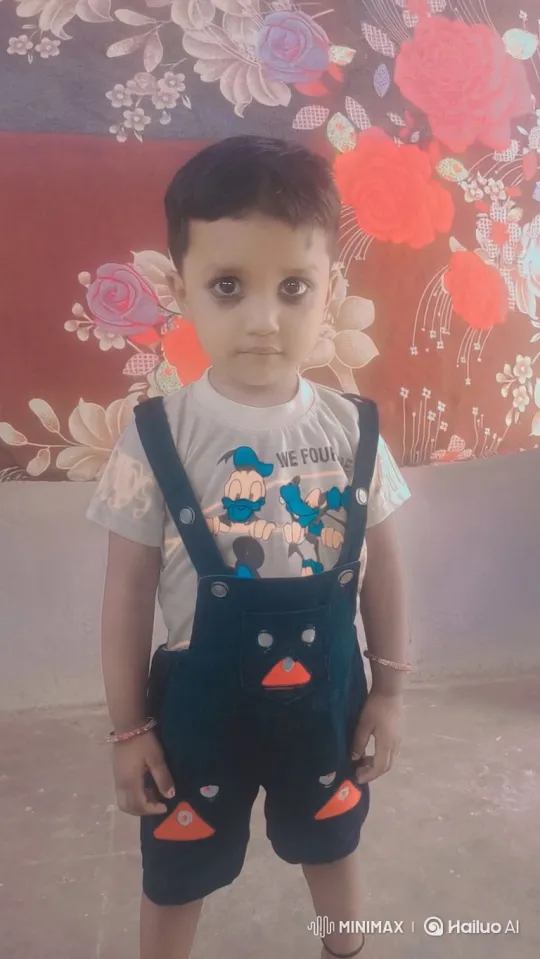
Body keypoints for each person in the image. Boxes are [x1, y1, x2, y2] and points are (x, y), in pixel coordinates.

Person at [87, 135, 411, 959]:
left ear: (329, 289)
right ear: (182, 288)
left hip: (328, 699)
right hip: (200, 714)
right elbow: (127, 594)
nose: (264, 320)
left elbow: (385, 568)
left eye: (293, 287)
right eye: (228, 286)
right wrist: (129, 731)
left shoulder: (353, 429)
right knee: (177, 867)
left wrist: (392, 691)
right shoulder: (157, 438)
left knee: (334, 843)